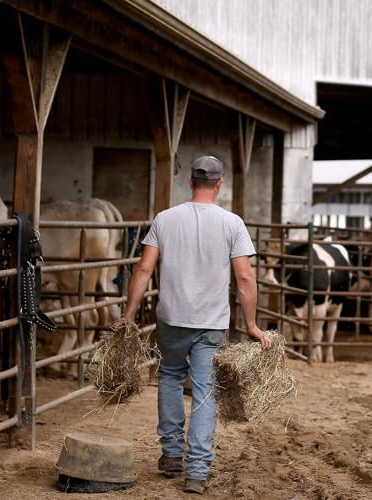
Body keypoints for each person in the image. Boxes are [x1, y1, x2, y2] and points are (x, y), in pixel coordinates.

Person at [122, 155, 271, 495]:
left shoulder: (165, 219)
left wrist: (128, 315)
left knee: (171, 378)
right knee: (205, 391)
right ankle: (197, 471)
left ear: (190, 182)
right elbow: (245, 277)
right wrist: (252, 325)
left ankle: (172, 454)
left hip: (172, 319)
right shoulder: (232, 223)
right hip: (211, 324)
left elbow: (143, 270)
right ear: (219, 185)